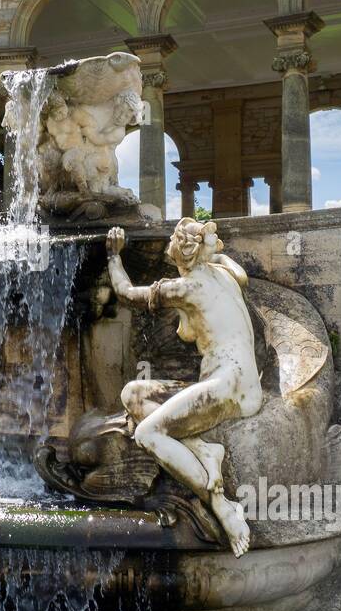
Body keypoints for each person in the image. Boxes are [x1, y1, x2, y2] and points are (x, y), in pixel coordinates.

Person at [105, 218, 262, 556]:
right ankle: (205, 450)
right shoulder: (227, 274)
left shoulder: (187, 288)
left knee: (147, 434)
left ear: (179, 253)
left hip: (227, 386)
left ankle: (221, 504)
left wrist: (113, 256)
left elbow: (127, 294)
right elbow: (239, 271)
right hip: (238, 381)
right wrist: (213, 253)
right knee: (132, 393)